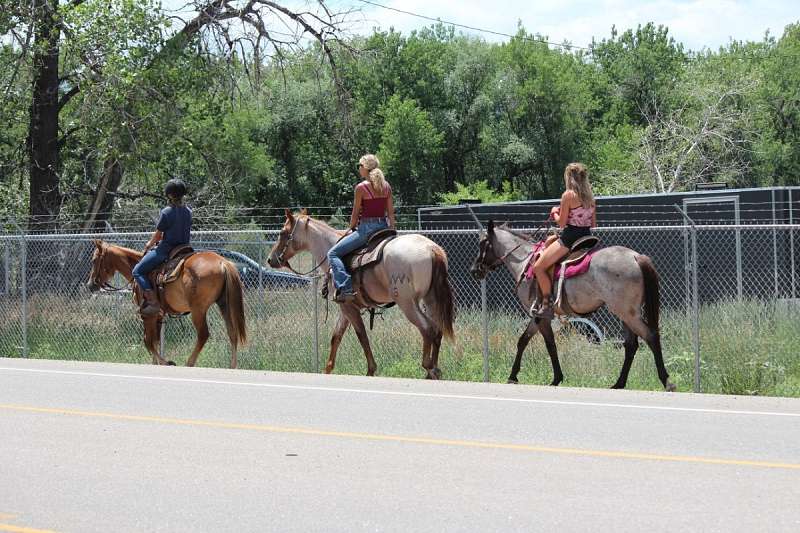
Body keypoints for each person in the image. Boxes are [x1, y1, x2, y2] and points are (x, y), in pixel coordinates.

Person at [327, 154, 397, 303]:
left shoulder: (361, 188)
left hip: (366, 230)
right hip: (383, 228)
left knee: (333, 253)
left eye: (359, 166)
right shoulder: (387, 186)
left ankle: (345, 288)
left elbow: (355, 214)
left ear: (365, 168)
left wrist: (350, 228)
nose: (359, 168)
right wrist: (392, 231)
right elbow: (390, 212)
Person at [531, 162, 596, 319]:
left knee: (538, 267)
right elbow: (593, 223)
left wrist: (554, 213)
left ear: (569, 178)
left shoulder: (568, 195)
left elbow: (561, 223)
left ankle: (546, 303)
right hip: (586, 237)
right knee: (549, 240)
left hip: (570, 238)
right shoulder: (591, 197)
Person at [132, 178, 193, 316]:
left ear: (169, 194)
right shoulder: (188, 211)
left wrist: (149, 244)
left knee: (137, 271)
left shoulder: (167, 212)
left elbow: (158, 235)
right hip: (185, 249)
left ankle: (153, 303)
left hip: (166, 250)